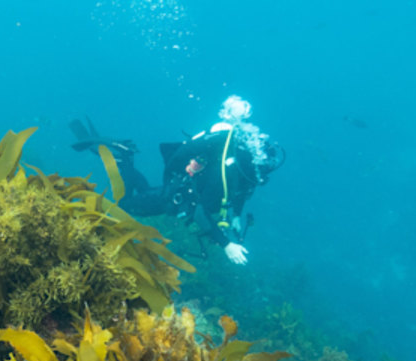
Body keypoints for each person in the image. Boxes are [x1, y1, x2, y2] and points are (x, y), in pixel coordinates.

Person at [71, 95, 284, 265]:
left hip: (177, 191)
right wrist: (226, 245)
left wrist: (236, 216)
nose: (260, 178)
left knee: (145, 191)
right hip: (174, 196)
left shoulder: (244, 176)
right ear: (249, 163)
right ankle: (123, 157)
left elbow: (241, 194)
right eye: (260, 171)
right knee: (125, 205)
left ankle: (126, 159)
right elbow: (200, 213)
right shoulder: (228, 173)